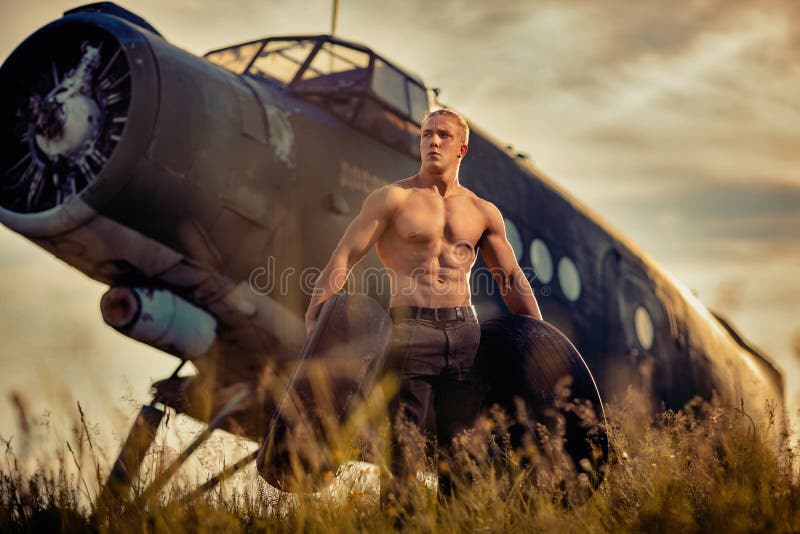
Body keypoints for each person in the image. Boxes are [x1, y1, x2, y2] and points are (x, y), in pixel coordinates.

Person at [305, 108, 542, 501]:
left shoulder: (483, 212)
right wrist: (320, 311)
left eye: (444, 135)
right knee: (404, 451)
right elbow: (345, 255)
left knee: (463, 455)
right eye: (426, 134)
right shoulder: (393, 199)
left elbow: (511, 278)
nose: (433, 141)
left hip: (464, 333)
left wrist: (538, 334)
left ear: (462, 148)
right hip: (409, 330)